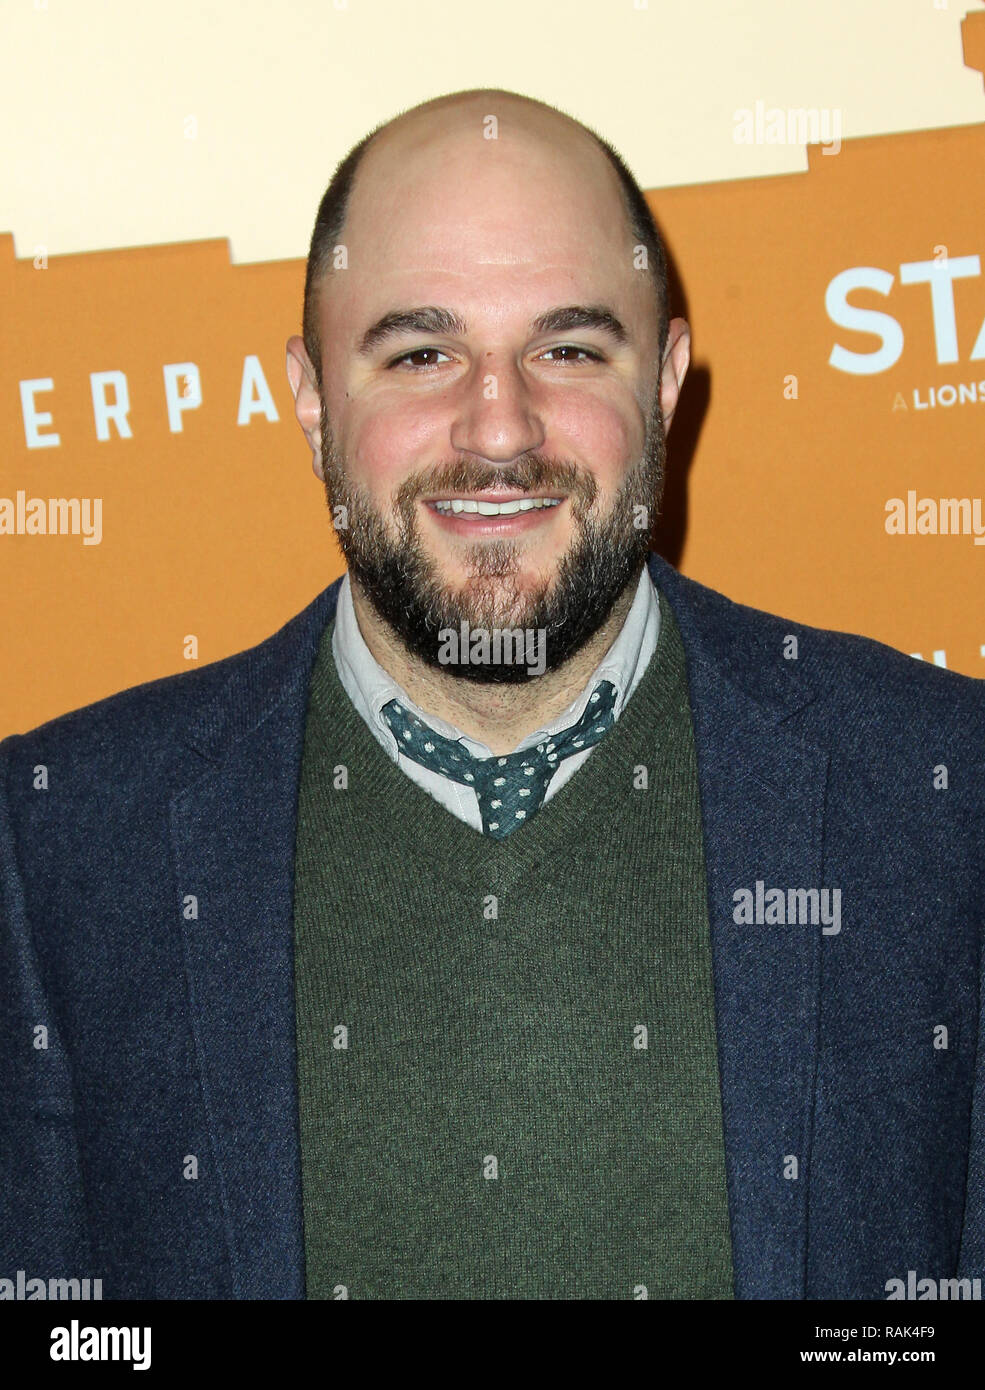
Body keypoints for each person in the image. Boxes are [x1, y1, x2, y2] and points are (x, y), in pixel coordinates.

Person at [1, 88, 983, 1302]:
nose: (500, 425)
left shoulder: (943, 794)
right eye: (421, 352)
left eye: (568, 348)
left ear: (667, 380)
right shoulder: (67, 836)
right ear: (308, 395)